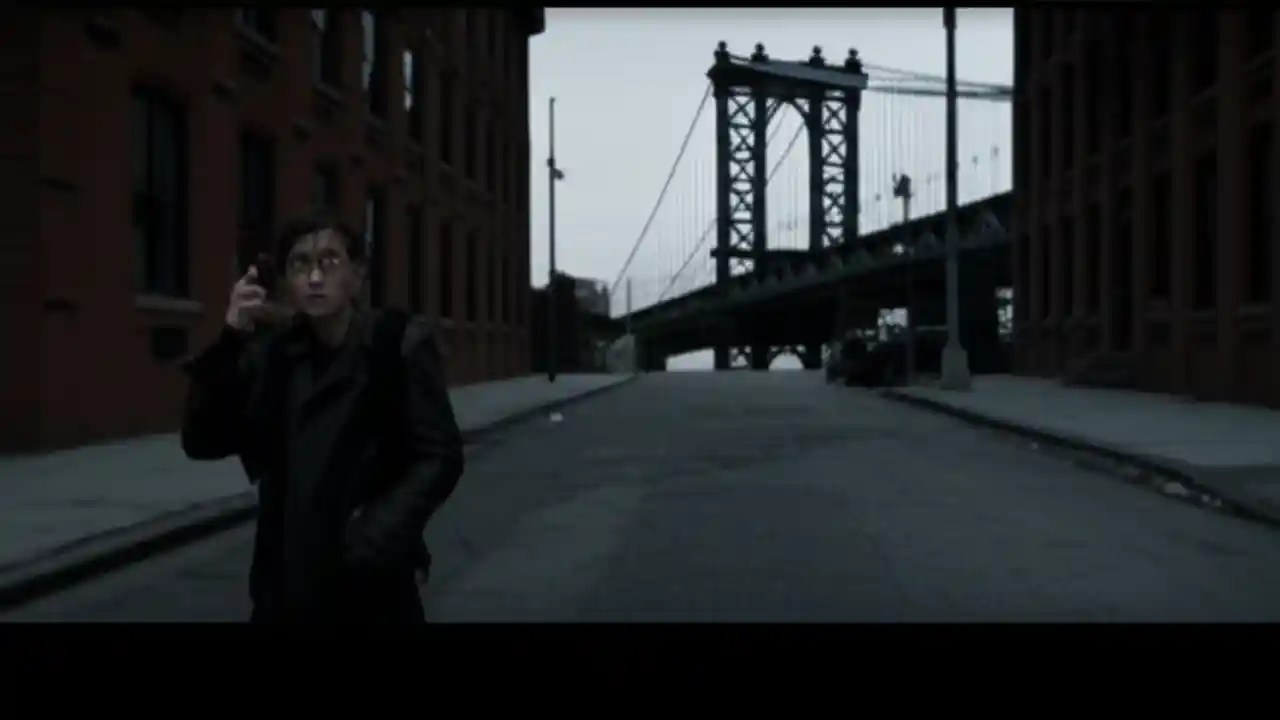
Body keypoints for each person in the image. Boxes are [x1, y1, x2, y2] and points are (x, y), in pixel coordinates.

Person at [180, 213, 464, 623]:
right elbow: (203, 441)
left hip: (371, 584)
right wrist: (231, 337)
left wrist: (372, 536)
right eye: (300, 265)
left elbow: (440, 456)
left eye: (329, 263)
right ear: (287, 281)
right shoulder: (273, 357)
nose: (314, 277)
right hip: (284, 585)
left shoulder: (394, 345)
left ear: (357, 276)